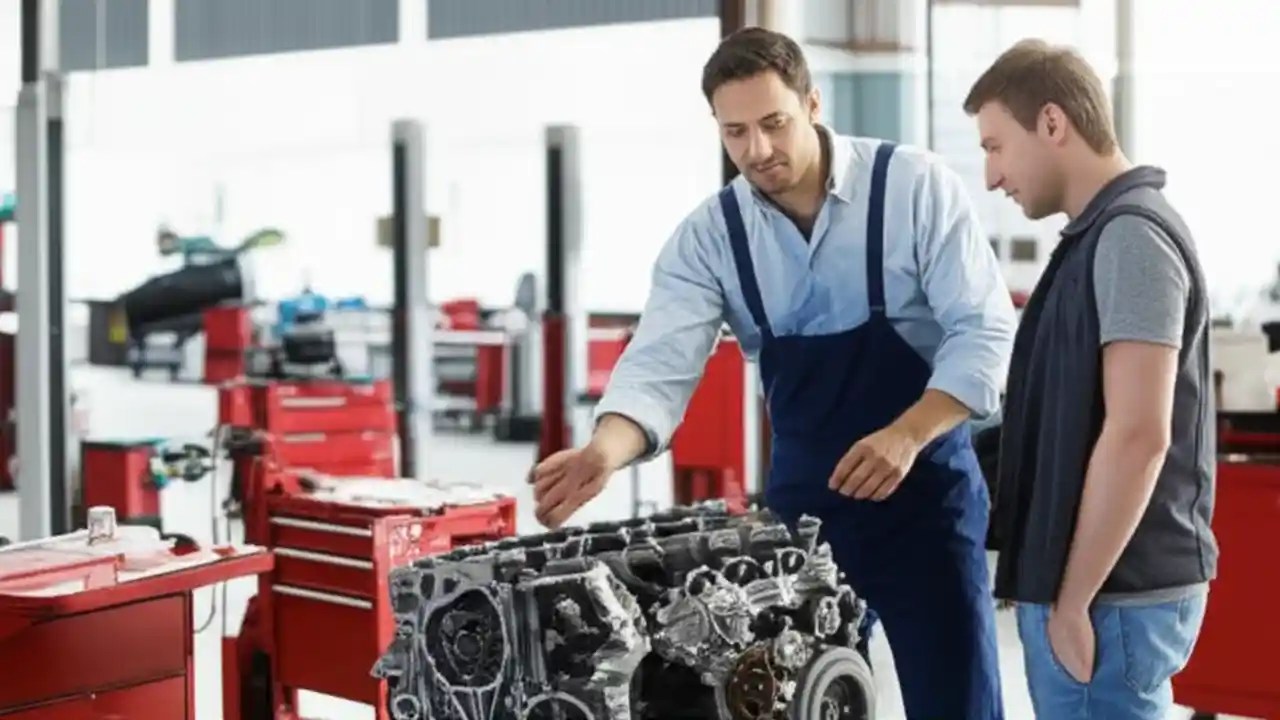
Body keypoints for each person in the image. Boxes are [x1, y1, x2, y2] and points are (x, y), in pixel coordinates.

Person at [531, 26, 1016, 719]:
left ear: (813, 104)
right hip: (805, 523)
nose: (756, 150)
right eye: (735, 133)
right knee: (794, 703)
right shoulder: (712, 236)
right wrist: (605, 449)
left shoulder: (912, 189)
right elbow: (662, 358)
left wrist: (908, 434)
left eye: (773, 123)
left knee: (957, 702)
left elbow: (984, 328)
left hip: (926, 508)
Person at [964, 39, 1218, 719]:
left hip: (1109, 598)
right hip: (1099, 592)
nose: (992, 176)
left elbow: (1138, 435)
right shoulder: (1097, 237)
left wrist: (1073, 601)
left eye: (995, 146)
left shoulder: (1131, 238)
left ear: (1052, 123)